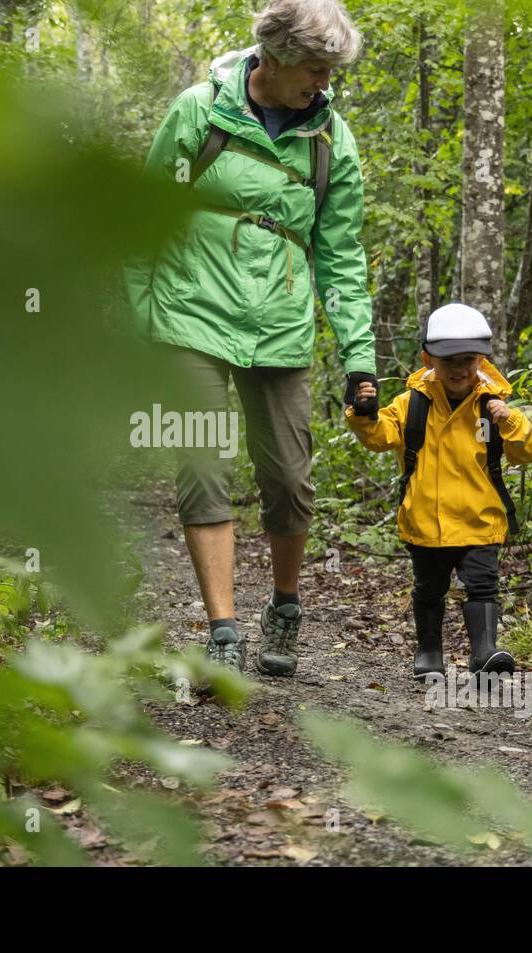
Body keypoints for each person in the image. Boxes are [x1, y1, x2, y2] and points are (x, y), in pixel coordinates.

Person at [123, 0, 378, 676]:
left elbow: (343, 257)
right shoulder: (199, 113)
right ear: (278, 57)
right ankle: (224, 630)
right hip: (189, 315)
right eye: (316, 70)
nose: (324, 84)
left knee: (289, 481)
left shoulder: (331, 142)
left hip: (279, 323)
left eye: (330, 72)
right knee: (202, 467)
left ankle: (285, 608)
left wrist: (361, 361)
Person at [344, 303, 532, 678]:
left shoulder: (493, 406)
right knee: (429, 589)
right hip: (427, 522)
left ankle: (485, 654)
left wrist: (511, 420)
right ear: (427, 359)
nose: (459, 369)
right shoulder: (412, 403)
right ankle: (428, 651)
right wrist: (363, 411)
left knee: (483, 585)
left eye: (468, 359)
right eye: (449, 360)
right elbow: (379, 437)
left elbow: (528, 452)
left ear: (482, 361)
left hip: (479, 519)